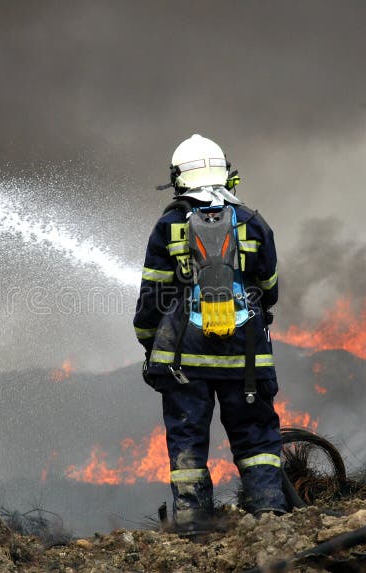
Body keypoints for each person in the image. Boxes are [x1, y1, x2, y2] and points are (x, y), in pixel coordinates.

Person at [134, 134, 286, 533]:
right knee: (255, 439)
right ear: (224, 172)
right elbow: (270, 289)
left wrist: (149, 341)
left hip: (184, 362)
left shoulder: (169, 226)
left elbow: (153, 295)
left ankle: (192, 523)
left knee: (187, 441)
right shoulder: (253, 223)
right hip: (246, 358)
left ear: (179, 178)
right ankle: (269, 514)